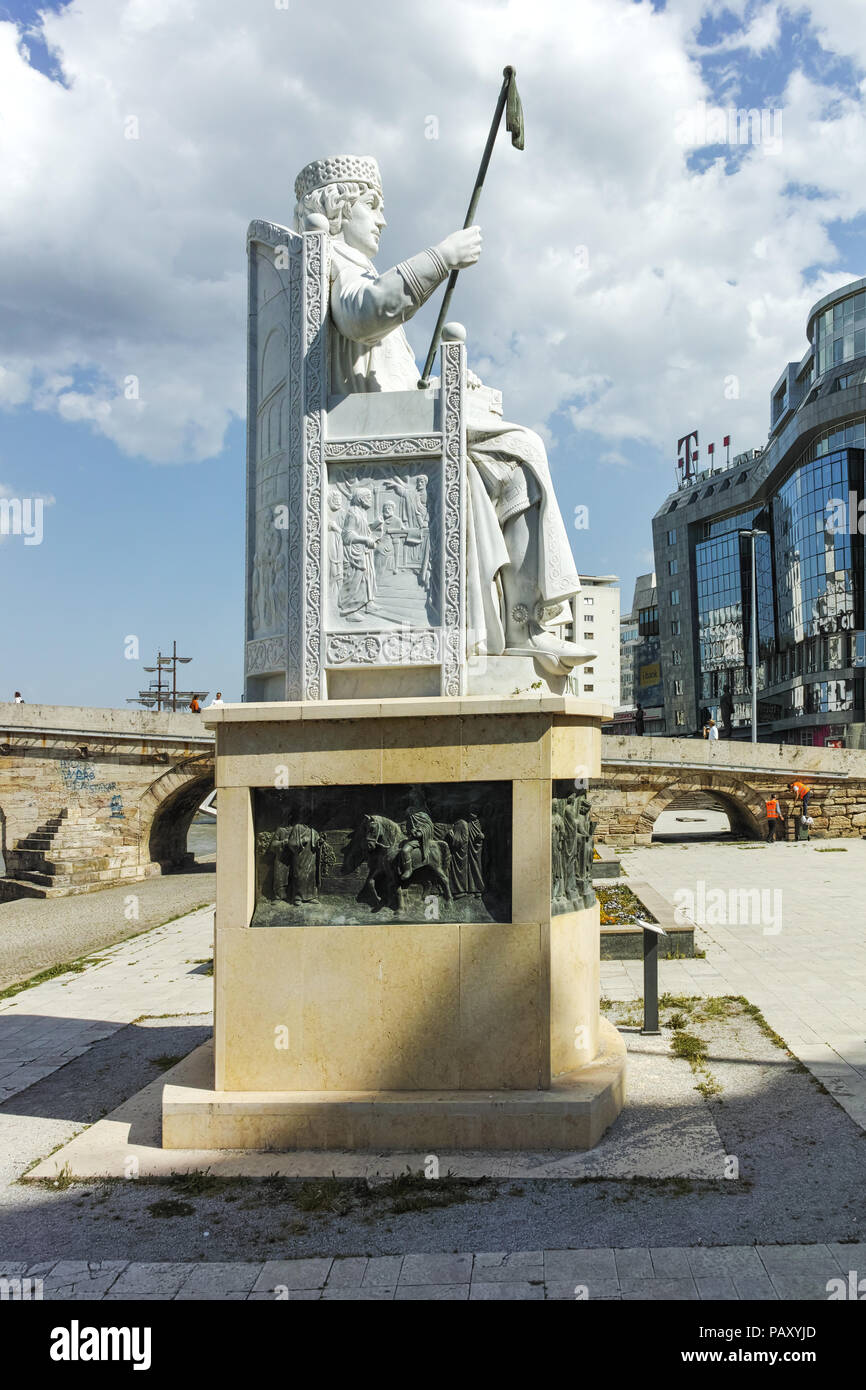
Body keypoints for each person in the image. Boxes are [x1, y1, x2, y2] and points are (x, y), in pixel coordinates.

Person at [293, 155, 590, 678]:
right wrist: (441, 256)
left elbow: (390, 366)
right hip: (382, 428)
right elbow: (365, 315)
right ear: (339, 210)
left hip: (401, 418)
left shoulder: (346, 262)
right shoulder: (331, 259)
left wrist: (439, 386)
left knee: (506, 466)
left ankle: (523, 626)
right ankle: (526, 628)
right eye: (372, 206)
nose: (382, 220)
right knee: (523, 452)